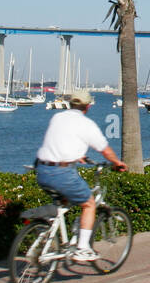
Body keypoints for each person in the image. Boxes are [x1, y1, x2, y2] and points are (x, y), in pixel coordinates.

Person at [32, 89, 126, 261]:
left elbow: (61, 140)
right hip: (61, 173)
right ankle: (83, 248)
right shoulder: (87, 125)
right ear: (88, 106)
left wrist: (76, 154)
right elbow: (105, 150)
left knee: (65, 202)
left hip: (41, 170)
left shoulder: (57, 117)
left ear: (69, 103)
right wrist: (117, 163)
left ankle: (50, 231)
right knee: (89, 203)